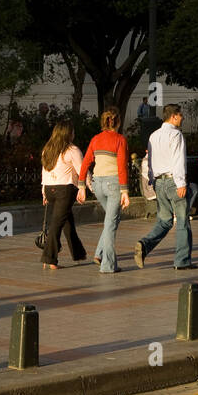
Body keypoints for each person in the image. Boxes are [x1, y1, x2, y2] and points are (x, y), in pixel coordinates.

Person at [135, 104, 195, 270]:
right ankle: (182, 261)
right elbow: (178, 161)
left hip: (159, 182)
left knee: (164, 220)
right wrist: (181, 183)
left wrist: (153, 180)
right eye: (180, 115)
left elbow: (150, 160)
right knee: (182, 221)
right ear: (174, 116)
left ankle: (145, 244)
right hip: (173, 181)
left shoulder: (153, 136)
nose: (182, 117)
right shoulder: (176, 135)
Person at [79, 106, 131, 273]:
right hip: (114, 184)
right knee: (110, 224)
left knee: (111, 221)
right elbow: (122, 167)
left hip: (98, 184)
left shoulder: (95, 139)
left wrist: (81, 186)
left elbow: (85, 163)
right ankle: (107, 266)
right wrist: (125, 191)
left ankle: (99, 253)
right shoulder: (120, 139)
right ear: (118, 121)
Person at [39, 120, 87, 270]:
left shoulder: (48, 149)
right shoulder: (72, 150)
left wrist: (43, 191)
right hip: (64, 191)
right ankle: (49, 258)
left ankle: (78, 253)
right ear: (68, 133)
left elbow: (45, 171)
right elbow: (82, 171)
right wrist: (86, 188)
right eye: (72, 131)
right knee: (57, 224)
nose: (74, 134)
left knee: (67, 221)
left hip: (50, 189)